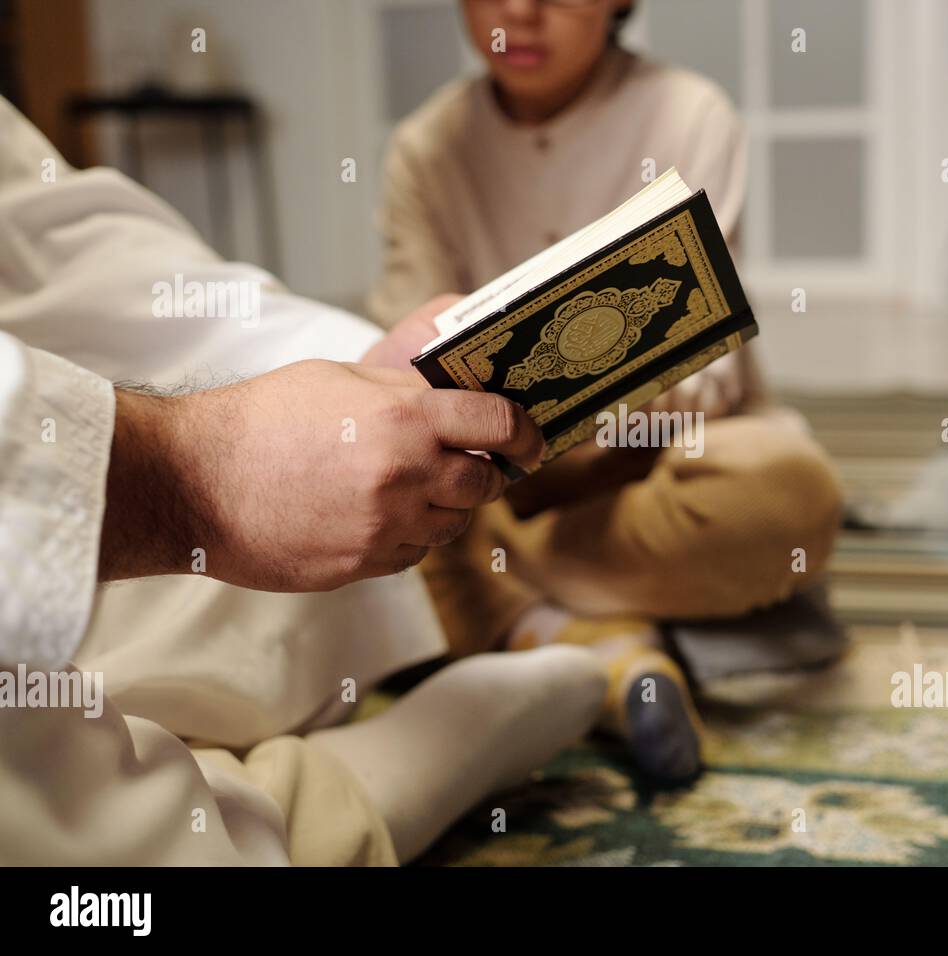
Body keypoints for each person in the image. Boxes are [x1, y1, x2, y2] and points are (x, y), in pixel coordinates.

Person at [0, 95, 607, 865]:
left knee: (770, 489)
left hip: (75, 484)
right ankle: (354, 785)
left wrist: (362, 381)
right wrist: (197, 471)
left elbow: (62, 246)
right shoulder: (430, 142)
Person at [368, 0, 845, 783]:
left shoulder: (691, 114)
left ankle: (519, 614)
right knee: (355, 484)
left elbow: (708, 364)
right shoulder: (426, 148)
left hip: (664, 454)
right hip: (495, 474)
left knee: (790, 493)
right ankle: (622, 654)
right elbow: (404, 369)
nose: (519, 12)